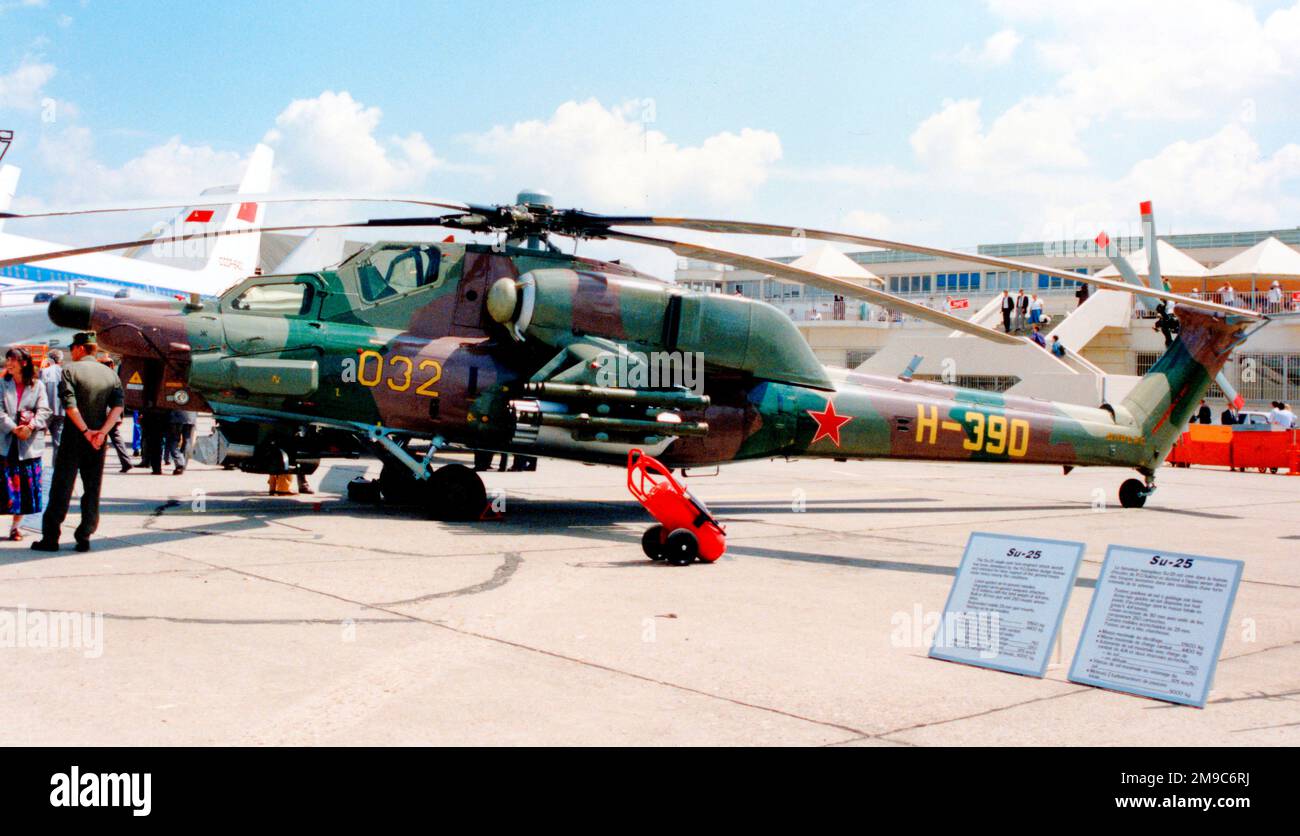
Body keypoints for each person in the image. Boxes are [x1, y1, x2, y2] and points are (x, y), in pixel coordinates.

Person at [31, 333, 124, 553]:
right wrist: (100, 433)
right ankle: (84, 536)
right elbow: (118, 409)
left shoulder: (70, 370)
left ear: (81, 349)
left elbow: (70, 407)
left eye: (73, 348)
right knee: (92, 488)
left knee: (62, 487)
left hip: (74, 437)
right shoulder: (111, 374)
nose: (72, 351)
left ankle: (51, 538)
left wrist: (85, 431)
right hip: (98, 442)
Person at [1, 348, 52, 542]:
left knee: (23, 490)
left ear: (24, 363)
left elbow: (45, 410)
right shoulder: (2, 384)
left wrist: (30, 426)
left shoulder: (37, 385)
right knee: (3, 488)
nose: (9, 363)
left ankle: (16, 528)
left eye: (12, 360)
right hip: (5, 443)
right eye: (7, 359)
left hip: (28, 445)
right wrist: (14, 428)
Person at [40, 350, 65, 457]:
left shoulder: (43, 372)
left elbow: (39, 392)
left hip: (45, 412)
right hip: (61, 411)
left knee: (38, 440)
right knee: (58, 443)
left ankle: (37, 469)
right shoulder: (65, 372)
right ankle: (56, 470)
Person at [167, 409, 196, 475]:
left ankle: (180, 463)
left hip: (177, 417)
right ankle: (183, 464)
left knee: (173, 440)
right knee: (187, 441)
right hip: (190, 417)